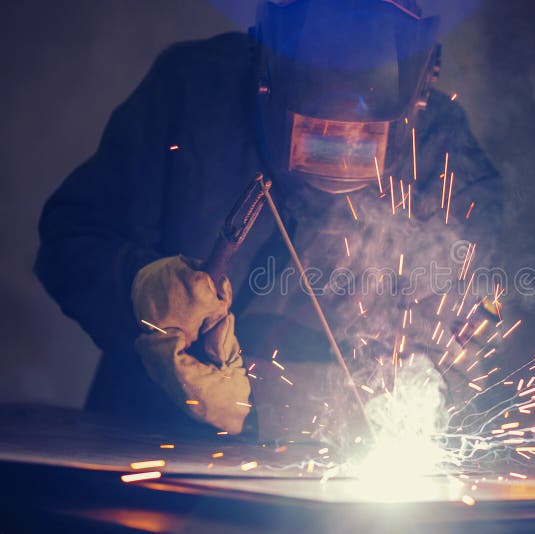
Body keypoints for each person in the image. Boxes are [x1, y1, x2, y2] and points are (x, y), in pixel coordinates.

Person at [36, 0, 502, 437]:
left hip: (332, 455)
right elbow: (70, 240)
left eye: (361, 143)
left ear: (421, 87)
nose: (337, 156)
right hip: (146, 435)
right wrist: (140, 291)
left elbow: (472, 321)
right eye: (314, 137)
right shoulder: (191, 91)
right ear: (265, 68)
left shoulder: (443, 152)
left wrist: (416, 389)